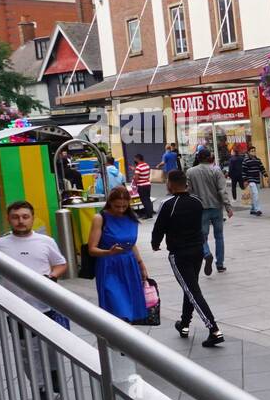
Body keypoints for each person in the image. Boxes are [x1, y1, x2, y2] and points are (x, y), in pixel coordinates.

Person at [151, 170, 224, 347]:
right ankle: (184, 324)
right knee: (190, 287)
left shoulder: (168, 204)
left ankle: (214, 329)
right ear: (186, 183)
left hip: (179, 253)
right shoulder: (196, 201)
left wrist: (155, 243)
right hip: (197, 250)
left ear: (170, 184)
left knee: (192, 291)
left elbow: (159, 227)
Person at [0, 200, 69, 325]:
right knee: (20, 338)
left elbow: (61, 264)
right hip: (13, 308)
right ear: (8, 219)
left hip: (45, 306)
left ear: (33, 218)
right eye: (15, 217)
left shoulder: (47, 241)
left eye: (25, 217)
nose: (20, 221)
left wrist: (52, 276)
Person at [88, 187, 149, 323]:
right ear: (110, 202)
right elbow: (92, 249)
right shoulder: (100, 218)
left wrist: (141, 265)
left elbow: (131, 244)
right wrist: (109, 252)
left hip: (129, 264)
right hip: (108, 266)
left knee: (130, 308)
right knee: (116, 306)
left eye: (124, 206)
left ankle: (125, 333)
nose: (121, 209)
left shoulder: (131, 218)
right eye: (117, 206)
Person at [186, 147, 234, 274]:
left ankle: (206, 253)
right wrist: (228, 207)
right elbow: (222, 191)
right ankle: (220, 264)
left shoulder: (190, 171)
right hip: (216, 207)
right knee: (219, 236)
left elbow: (188, 191)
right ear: (209, 158)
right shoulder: (216, 170)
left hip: (200, 208)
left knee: (202, 236)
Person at [241, 145, 267, 216]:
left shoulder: (258, 160)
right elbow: (243, 171)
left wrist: (266, 175)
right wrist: (245, 180)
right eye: (252, 151)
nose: (254, 152)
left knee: (254, 195)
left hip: (257, 179)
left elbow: (262, 168)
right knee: (256, 194)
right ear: (249, 152)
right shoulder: (246, 161)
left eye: (254, 151)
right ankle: (257, 209)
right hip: (250, 180)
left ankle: (252, 209)